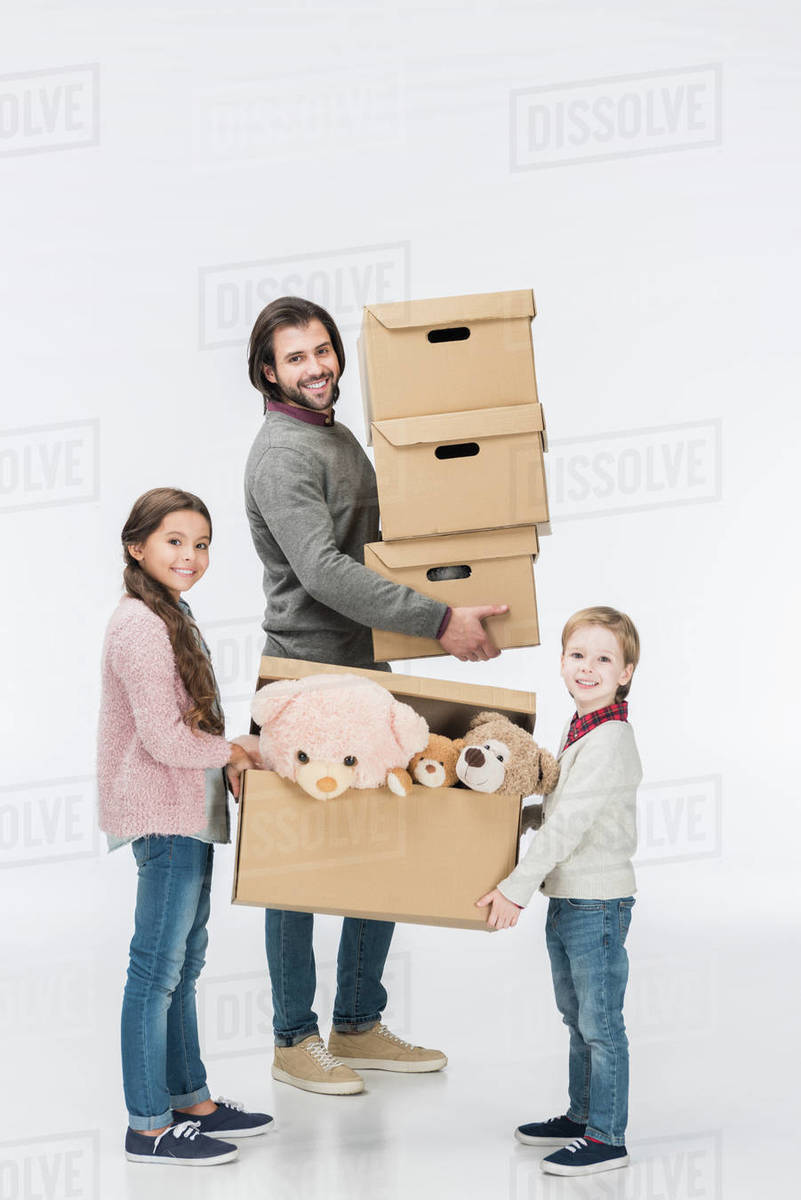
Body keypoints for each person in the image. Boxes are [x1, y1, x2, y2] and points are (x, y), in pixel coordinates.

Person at [244, 296, 509, 1095]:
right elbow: (323, 572)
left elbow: (385, 540)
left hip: (368, 666)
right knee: (295, 867)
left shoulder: (335, 436)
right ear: (267, 372)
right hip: (305, 674)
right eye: (296, 357)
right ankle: (295, 1040)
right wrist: (437, 620)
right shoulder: (281, 455)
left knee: (380, 844)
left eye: (321, 350)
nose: (316, 366)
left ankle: (356, 1022)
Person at [97, 488, 272, 1165]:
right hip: (164, 814)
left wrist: (224, 755)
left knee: (184, 965)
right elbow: (164, 739)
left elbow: (185, 728)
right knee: (155, 971)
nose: (190, 556)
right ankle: (148, 1125)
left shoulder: (171, 612)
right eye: (175, 541)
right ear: (137, 546)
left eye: (200, 544)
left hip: (188, 813)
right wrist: (235, 749)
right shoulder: (139, 624)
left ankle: (188, 1098)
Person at [477, 606, 642, 1178]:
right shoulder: (583, 730)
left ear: (625, 672)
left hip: (596, 902)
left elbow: (569, 826)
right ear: (562, 662)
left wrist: (515, 888)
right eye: (578, 655)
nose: (588, 668)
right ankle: (581, 1116)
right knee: (576, 1018)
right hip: (570, 897)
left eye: (604, 659)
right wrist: (514, 820)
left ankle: (607, 1136)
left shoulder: (610, 739)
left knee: (600, 1023)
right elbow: (562, 811)